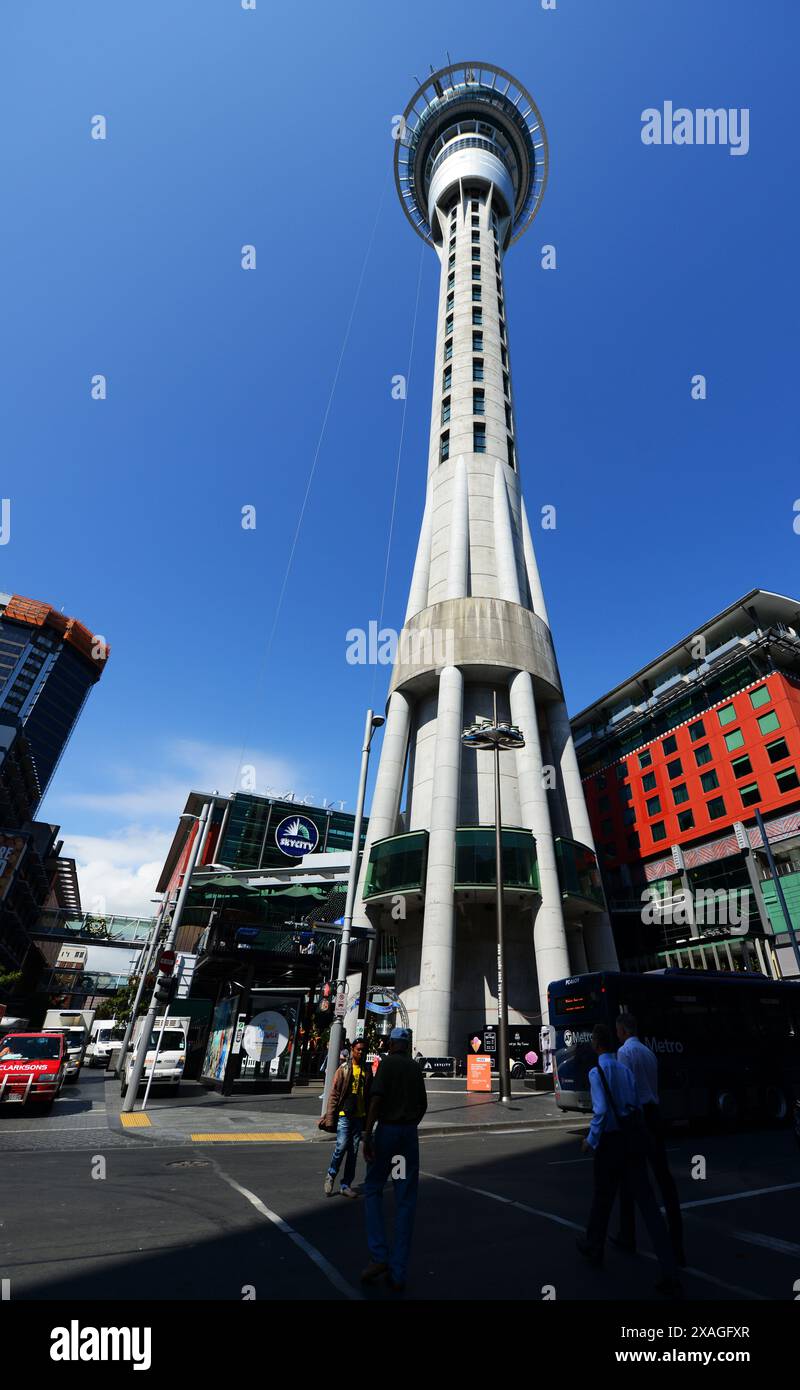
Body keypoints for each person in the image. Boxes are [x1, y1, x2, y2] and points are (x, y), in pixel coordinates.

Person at [576, 1023, 682, 1298]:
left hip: (610, 1143)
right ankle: (669, 1268)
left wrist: (591, 1140)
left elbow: (600, 1112)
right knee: (647, 1204)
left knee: (602, 1198)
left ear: (597, 1045)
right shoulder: (625, 1068)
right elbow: (635, 1104)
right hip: (633, 1140)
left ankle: (594, 1247)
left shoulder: (597, 1071)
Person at [614, 1012, 686, 1266]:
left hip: (637, 1117)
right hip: (655, 1115)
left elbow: (627, 1090)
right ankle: (676, 1241)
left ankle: (628, 1234)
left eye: (618, 1030)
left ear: (623, 1030)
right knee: (663, 1177)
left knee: (632, 1178)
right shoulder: (648, 1052)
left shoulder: (625, 1053)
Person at [361, 1027, 428, 1292]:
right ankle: (398, 1271)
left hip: (387, 1132)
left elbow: (376, 1101)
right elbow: (423, 1105)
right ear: (408, 1044)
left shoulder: (387, 1065)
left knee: (373, 1187)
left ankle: (379, 1254)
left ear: (391, 1044)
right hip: (407, 1137)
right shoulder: (414, 1068)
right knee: (404, 1199)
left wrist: (368, 1134)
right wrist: (409, 1124)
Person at [321, 1038, 370, 1198]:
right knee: (341, 1147)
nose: (361, 1052)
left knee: (353, 1152)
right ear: (352, 1050)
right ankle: (331, 1174)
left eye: (363, 1050)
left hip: (359, 1116)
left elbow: (369, 1095)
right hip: (344, 1115)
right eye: (358, 1049)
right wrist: (329, 1117)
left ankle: (345, 1185)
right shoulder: (343, 1069)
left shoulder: (367, 1070)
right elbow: (334, 1094)